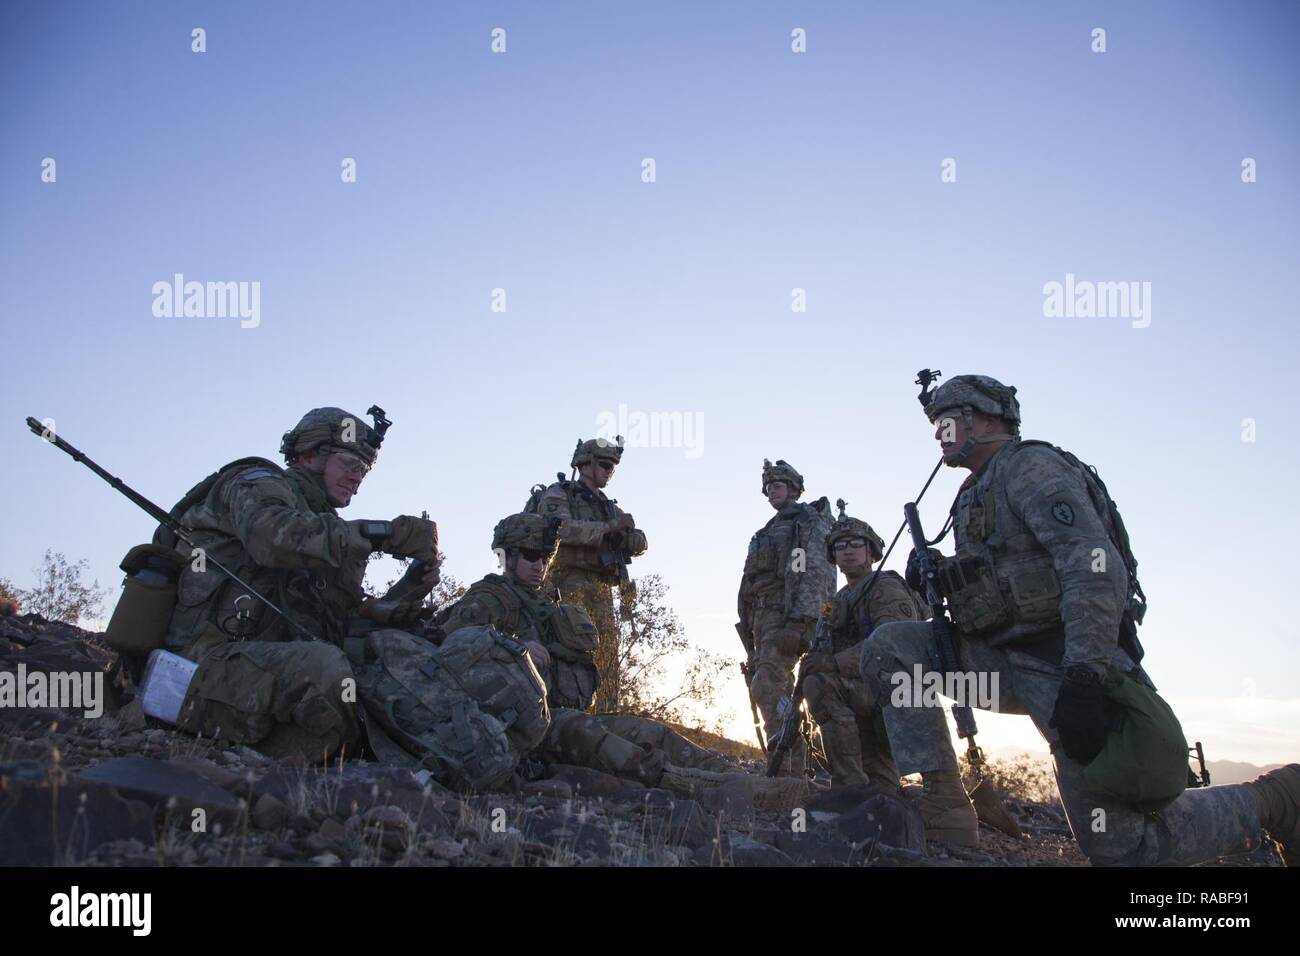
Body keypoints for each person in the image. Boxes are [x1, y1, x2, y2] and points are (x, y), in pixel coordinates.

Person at [860, 374, 1299, 863]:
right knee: (892, 646)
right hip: (998, 663)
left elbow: (1093, 566)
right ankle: (945, 803)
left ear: (983, 419)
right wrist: (936, 576)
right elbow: (993, 584)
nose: (938, 436)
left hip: (1063, 664)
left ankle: (1276, 798)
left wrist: (1086, 672)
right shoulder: (969, 496)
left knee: (1122, 847)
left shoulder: (1031, 468)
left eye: (945, 422)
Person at [801, 502, 925, 790]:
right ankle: (875, 798)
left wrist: (832, 664)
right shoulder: (837, 600)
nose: (847, 549)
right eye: (840, 545)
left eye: (856, 543)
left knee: (821, 685)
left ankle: (849, 786)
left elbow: (894, 644)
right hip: (860, 689)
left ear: (871, 551)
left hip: (895, 691)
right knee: (882, 786)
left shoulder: (885, 587)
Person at [526, 437, 647, 712]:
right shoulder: (560, 493)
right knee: (569, 649)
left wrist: (631, 537)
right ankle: (561, 713)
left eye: (613, 467)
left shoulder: (606, 505)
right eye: (604, 464)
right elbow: (560, 529)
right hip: (565, 584)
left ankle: (606, 717)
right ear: (585, 464)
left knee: (605, 656)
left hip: (600, 587)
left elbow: (638, 539)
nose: (609, 471)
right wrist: (608, 529)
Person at [736, 459, 835, 773]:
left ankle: (787, 771)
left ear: (793, 488)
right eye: (767, 488)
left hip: (786, 615)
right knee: (770, 687)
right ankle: (791, 764)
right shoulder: (767, 529)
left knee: (767, 684)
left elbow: (813, 571)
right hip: (761, 620)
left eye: (776, 486)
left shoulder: (807, 522)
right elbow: (750, 579)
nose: (770, 493)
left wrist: (799, 621)